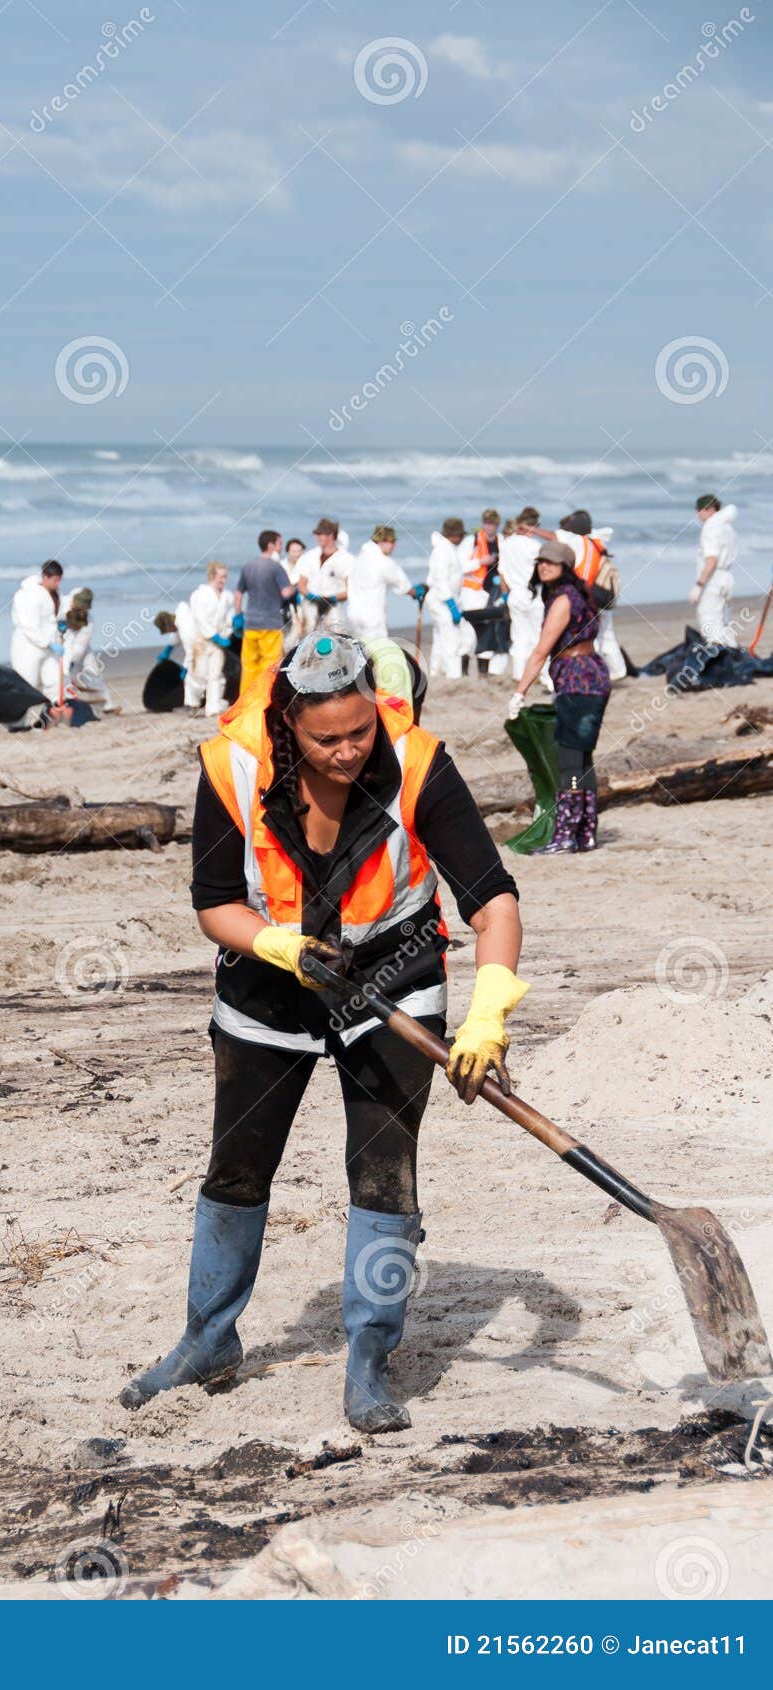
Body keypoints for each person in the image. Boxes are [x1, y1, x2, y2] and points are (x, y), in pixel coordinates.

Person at [120, 631, 525, 1434]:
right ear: (287, 728)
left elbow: (492, 901)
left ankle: (369, 1361)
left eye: (359, 732)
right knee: (237, 1169)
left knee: (383, 1177)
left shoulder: (416, 761)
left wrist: (489, 1011)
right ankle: (206, 1340)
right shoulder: (232, 765)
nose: (347, 751)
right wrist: (278, 944)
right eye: (325, 739)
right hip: (268, 987)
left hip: (395, 981)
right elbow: (212, 903)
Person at [508, 539, 610, 854]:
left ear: (565, 567)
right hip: (590, 674)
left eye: (551, 562)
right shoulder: (579, 595)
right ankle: (586, 832)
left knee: (569, 760)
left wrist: (519, 691)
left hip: (578, 678)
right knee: (582, 758)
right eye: (540, 562)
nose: (544, 566)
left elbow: (542, 649)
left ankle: (566, 833)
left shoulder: (564, 599)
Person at [521, 511, 624, 681]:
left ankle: (552, 678)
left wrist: (530, 529)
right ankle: (618, 671)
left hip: (580, 596)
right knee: (605, 634)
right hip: (598, 594)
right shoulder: (597, 542)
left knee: (567, 636)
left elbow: (554, 537)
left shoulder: (575, 541)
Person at [234, 531, 293, 695]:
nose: (281, 548)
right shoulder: (276, 567)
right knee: (270, 665)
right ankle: (265, 699)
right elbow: (286, 593)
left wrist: (238, 615)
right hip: (271, 624)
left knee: (249, 665)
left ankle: (247, 700)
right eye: (280, 544)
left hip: (251, 623)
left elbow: (238, 595)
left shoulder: (248, 567)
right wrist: (296, 586)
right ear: (270, 545)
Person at [347, 525, 423, 645]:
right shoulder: (383, 561)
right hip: (372, 617)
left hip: (353, 615)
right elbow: (403, 586)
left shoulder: (359, 558)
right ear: (382, 541)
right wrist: (418, 591)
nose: (394, 546)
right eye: (392, 542)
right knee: (378, 652)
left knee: (359, 651)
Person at [461, 509, 509, 677]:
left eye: (493, 524)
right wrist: (480, 562)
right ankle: (464, 672)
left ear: (497, 525)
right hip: (472, 592)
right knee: (468, 632)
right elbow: (460, 566)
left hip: (493, 593)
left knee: (488, 630)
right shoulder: (471, 541)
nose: (489, 527)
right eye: (487, 523)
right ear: (483, 523)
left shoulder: (502, 540)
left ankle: (483, 672)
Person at [500, 509, 545, 682]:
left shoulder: (506, 544)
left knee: (519, 636)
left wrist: (505, 596)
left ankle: (519, 674)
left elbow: (502, 573)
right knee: (539, 637)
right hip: (532, 594)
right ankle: (542, 675)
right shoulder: (535, 546)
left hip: (514, 594)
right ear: (532, 526)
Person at [10, 560, 65, 700]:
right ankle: (19, 721)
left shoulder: (54, 592)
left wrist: (60, 631)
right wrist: (47, 642)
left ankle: (50, 716)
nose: (58, 584)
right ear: (45, 577)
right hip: (28, 646)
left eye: (60, 580)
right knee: (28, 683)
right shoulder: (27, 594)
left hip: (50, 646)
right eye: (55, 580)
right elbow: (28, 625)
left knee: (55, 682)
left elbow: (53, 617)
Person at [424, 518, 470, 679]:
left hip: (443, 600)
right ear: (454, 535)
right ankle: (453, 675)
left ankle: (435, 672)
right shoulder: (443, 551)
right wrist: (452, 606)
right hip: (441, 600)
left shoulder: (446, 548)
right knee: (452, 638)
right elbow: (441, 581)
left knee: (440, 636)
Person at [691, 495, 739, 647]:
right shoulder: (728, 527)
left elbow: (712, 560)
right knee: (725, 623)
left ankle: (719, 661)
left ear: (710, 509)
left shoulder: (710, 527)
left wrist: (699, 585)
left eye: (700, 510)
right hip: (728, 578)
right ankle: (733, 656)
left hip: (714, 580)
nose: (697, 514)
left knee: (709, 621)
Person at [189, 561, 234, 716]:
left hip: (219, 641)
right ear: (212, 576)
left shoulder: (227, 596)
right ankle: (193, 703)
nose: (223, 580)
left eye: (225, 577)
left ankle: (212, 707)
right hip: (201, 639)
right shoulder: (199, 594)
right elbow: (199, 618)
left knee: (216, 673)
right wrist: (212, 635)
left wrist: (227, 633)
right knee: (199, 673)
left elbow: (229, 617)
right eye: (221, 576)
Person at [303, 518, 352, 634]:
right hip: (312, 604)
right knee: (307, 638)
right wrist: (309, 595)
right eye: (317, 534)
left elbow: (351, 588)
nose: (318, 537)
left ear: (331, 535)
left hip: (334, 605)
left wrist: (332, 599)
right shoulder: (310, 556)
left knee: (335, 637)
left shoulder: (346, 559)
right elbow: (301, 581)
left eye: (321, 534)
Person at [283, 536, 313, 651]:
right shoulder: (282, 566)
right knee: (289, 638)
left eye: (299, 551)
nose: (297, 554)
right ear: (287, 552)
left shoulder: (308, 567)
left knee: (306, 632)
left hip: (304, 605)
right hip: (287, 608)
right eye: (294, 551)